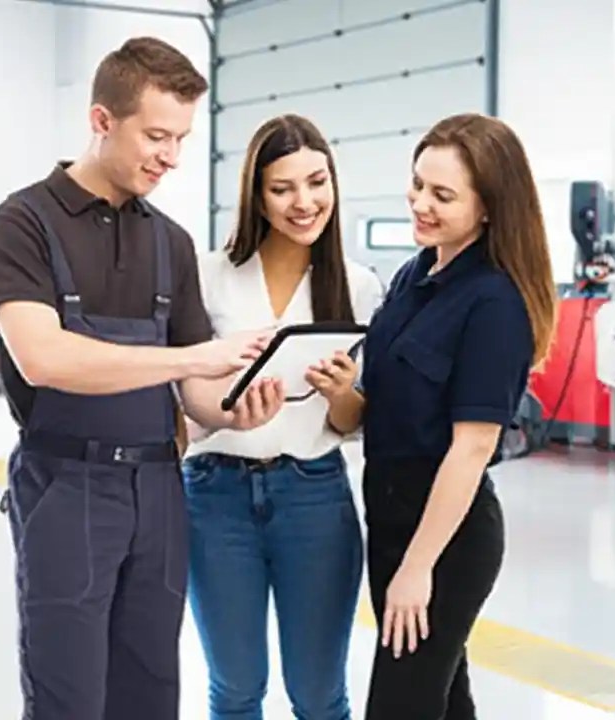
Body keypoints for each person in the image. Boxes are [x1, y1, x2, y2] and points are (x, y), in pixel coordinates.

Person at [0, 37, 288, 720]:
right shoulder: (22, 223)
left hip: (158, 488)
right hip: (66, 486)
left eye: (180, 137)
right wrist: (191, 362)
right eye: (155, 135)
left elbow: (195, 393)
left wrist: (236, 407)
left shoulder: (170, 241)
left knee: (150, 695)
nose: (171, 156)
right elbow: (45, 359)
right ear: (100, 121)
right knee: (69, 695)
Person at [328, 113, 558, 718]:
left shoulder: (495, 302)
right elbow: (373, 412)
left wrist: (417, 568)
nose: (420, 204)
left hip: (446, 539)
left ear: (488, 207)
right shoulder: (412, 275)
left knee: (400, 704)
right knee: (444, 698)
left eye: (442, 195)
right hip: (389, 517)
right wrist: (336, 393)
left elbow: (471, 449)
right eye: (417, 185)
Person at [180, 114, 385, 720]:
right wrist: (225, 412)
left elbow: (352, 422)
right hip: (215, 495)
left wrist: (344, 391)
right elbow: (183, 396)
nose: (305, 202)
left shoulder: (359, 286)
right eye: (283, 188)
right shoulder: (206, 275)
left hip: (314, 496)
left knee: (320, 696)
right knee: (236, 690)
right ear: (256, 196)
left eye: (317, 182)